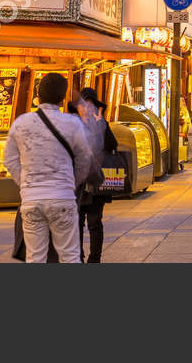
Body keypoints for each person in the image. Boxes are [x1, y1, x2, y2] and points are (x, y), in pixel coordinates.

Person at [3, 72, 97, 263]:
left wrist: (24, 182)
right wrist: (71, 182)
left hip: (31, 200)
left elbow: (9, 159)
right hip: (62, 197)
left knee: (35, 256)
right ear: (63, 98)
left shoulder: (21, 123)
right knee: (69, 255)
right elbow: (84, 159)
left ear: (38, 95)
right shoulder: (72, 123)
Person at [74, 87, 117, 262]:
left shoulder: (101, 124)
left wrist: (102, 126)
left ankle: (94, 259)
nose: (86, 110)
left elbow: (112, 146)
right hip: (76, 184)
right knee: (76, 224)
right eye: (83, 106)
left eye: (90, 106)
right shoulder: (72, 125)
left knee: (94, 223)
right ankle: (78, 257)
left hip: (95, 182)